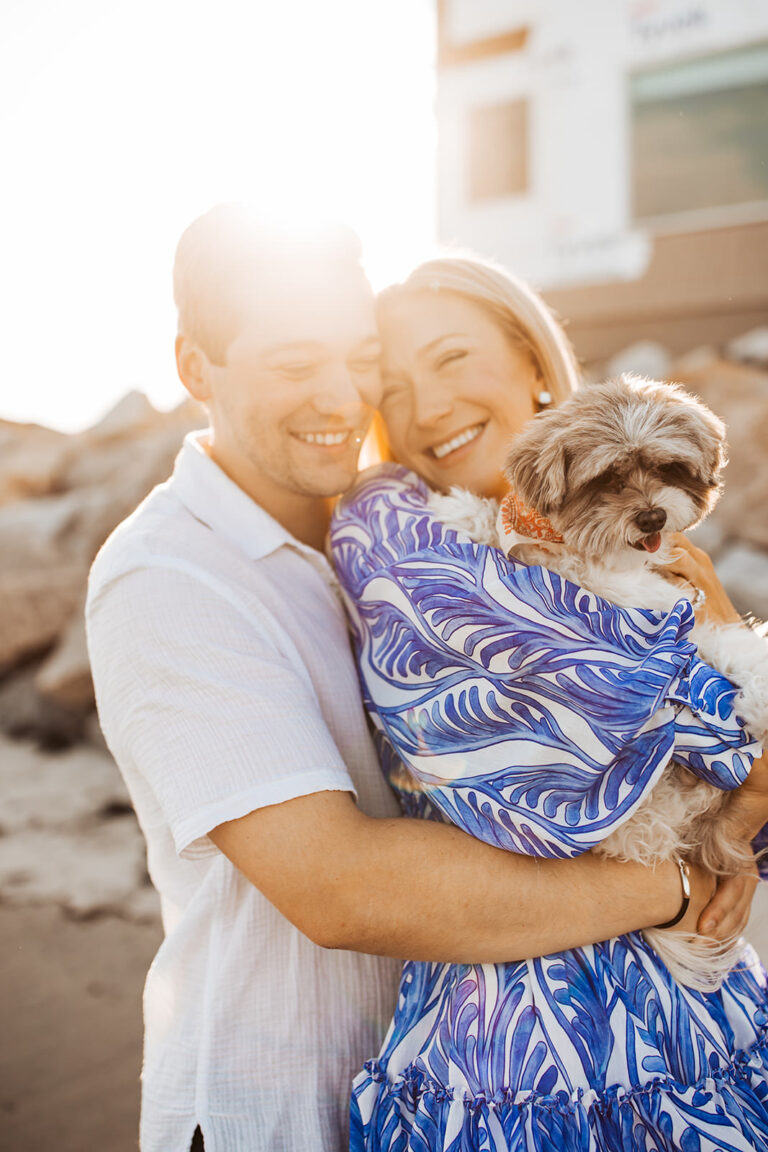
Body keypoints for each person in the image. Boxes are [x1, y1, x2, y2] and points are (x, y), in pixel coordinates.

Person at [86, 208, 756, 1152]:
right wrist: (678, 887)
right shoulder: (173, 578)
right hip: (281, 1108)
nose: (343, 397)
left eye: (360, 359)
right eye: (294, 363)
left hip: (464, 1060)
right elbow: (341, 889)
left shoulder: (389, 529)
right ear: (196, 368)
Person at [328, 256, 768, 1151]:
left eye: (451, 358)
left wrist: (719, 631)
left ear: (532, 357)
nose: (428, 407)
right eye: (393, 389)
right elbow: (605, 687)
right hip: (520, 1038)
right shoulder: (396, 529)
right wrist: (746, 755)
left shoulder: (632, 533)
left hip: (701, 1015)